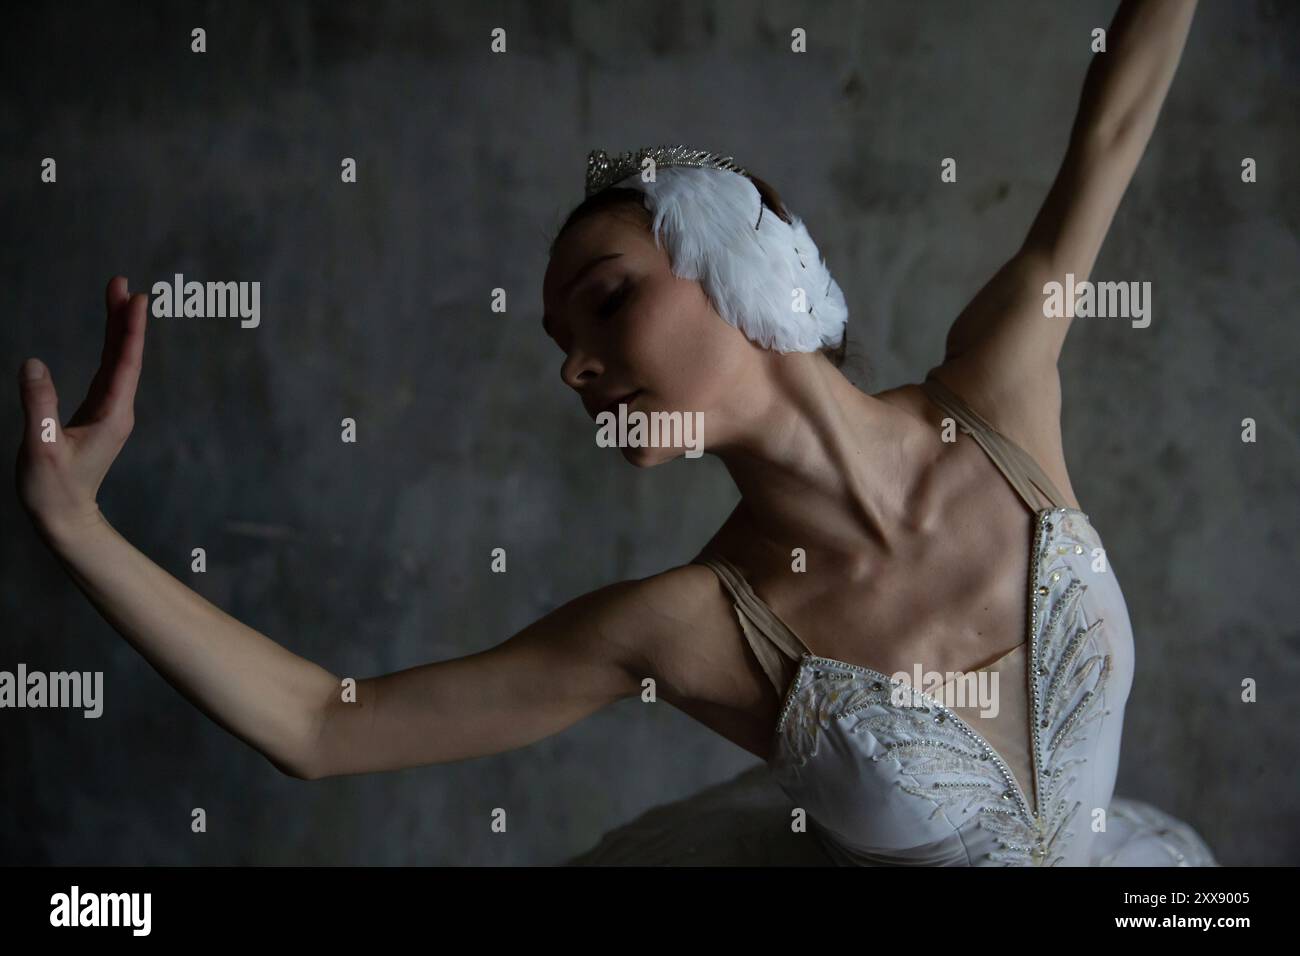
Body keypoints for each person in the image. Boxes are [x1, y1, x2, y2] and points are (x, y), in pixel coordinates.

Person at [15, 0, 1215, 865]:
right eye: (557, 345)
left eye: (607, 297)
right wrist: (79, 530)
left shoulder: (998, 396)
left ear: (740, 262)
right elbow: (323, 727)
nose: (576, 367)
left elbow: (1110, 133)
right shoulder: (691, 622)